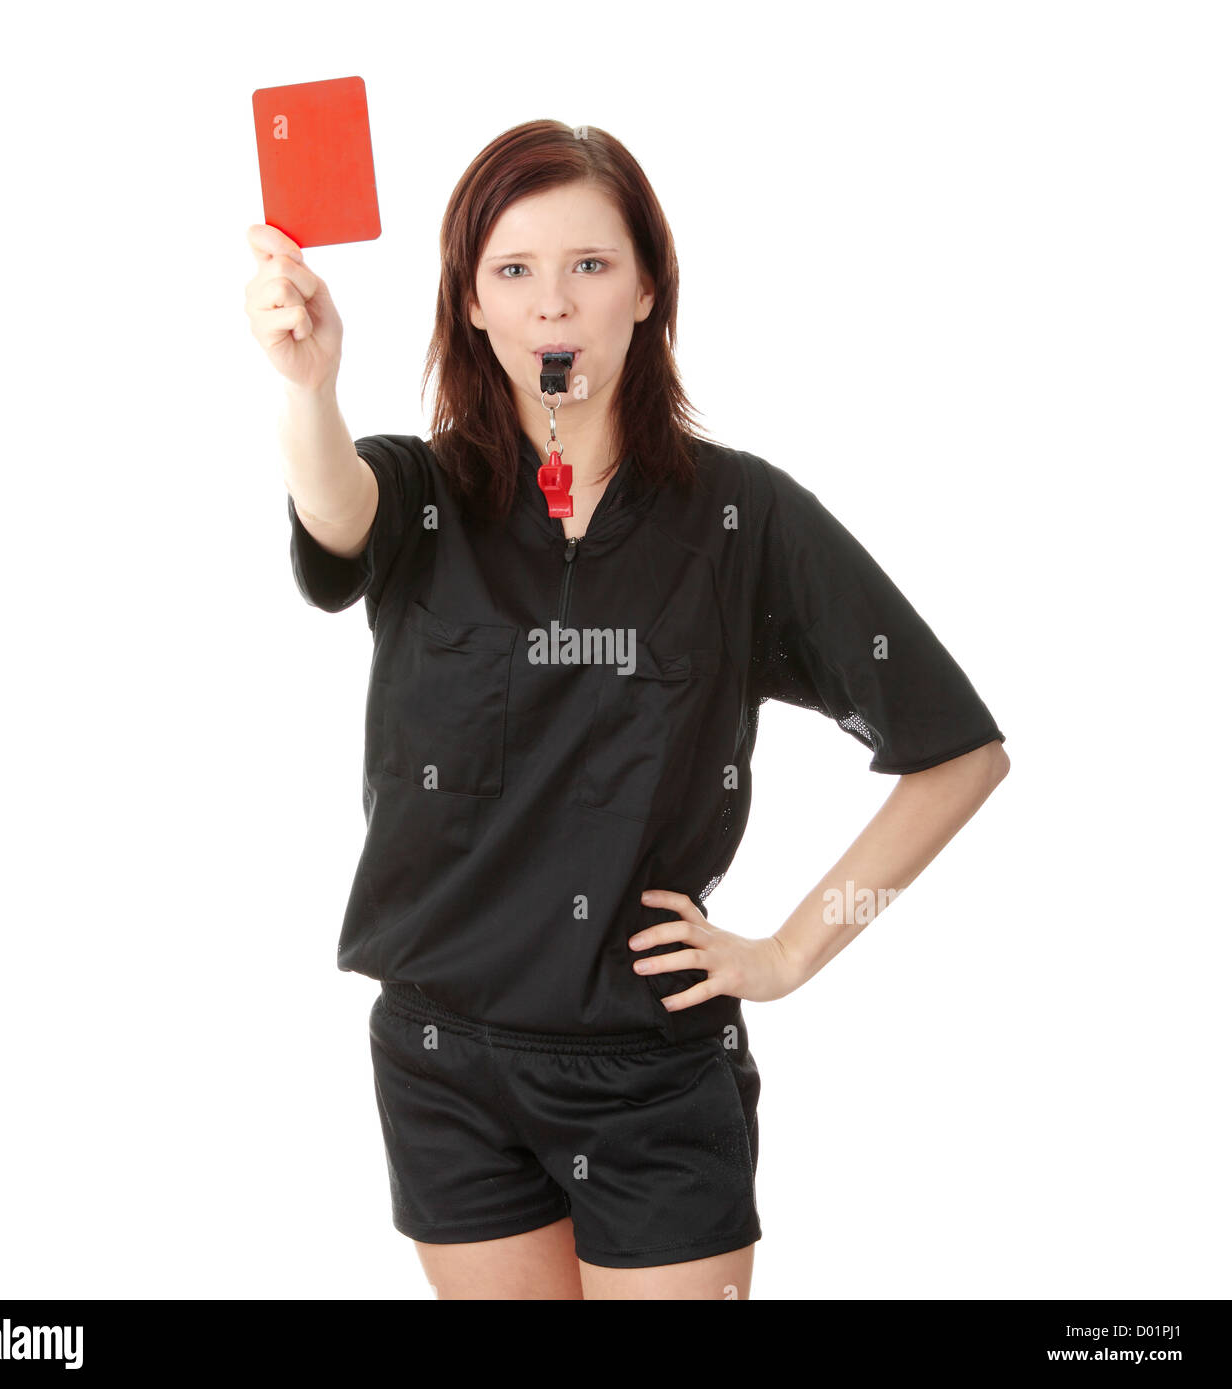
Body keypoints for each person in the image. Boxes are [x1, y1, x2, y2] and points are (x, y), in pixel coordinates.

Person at [244, 120, 1009, 1301]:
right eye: (514, 270)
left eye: (589, 266)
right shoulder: (421, 493)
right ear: (472, 304)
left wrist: (788, 954)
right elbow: (336, 510)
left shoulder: (741, 517)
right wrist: (308, 386)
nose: (554, 302)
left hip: (649, 1078)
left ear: (647, 288)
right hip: (444, 1065)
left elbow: (956, 751)